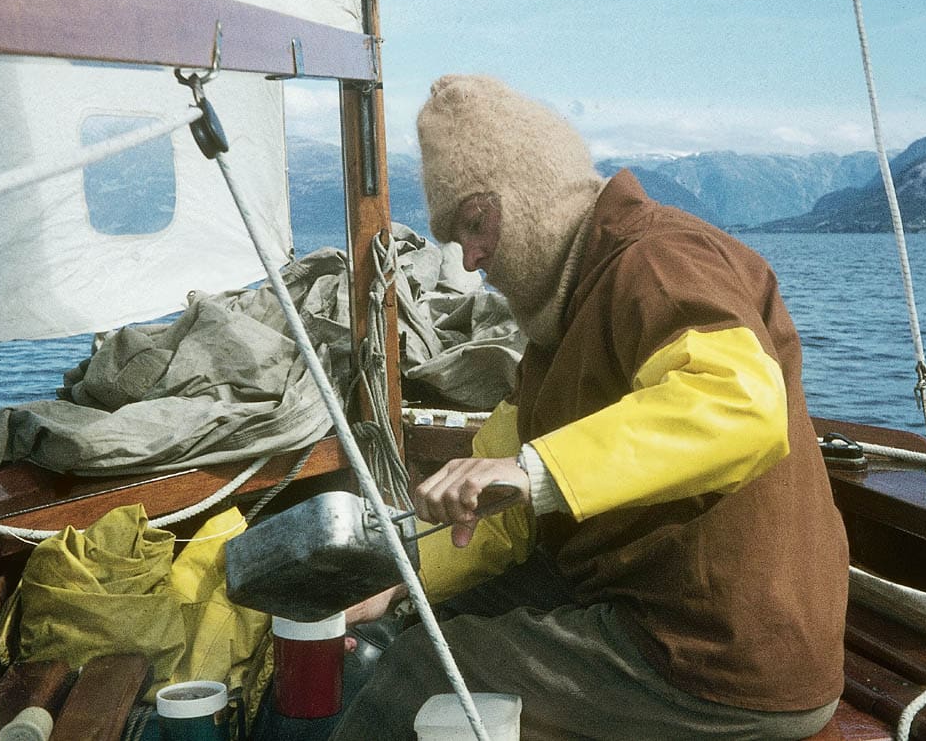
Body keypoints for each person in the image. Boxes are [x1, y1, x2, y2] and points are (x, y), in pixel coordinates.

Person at [331, 75, 849, 740]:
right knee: (420, 623)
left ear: (526, 197)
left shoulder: (658, 262)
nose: (469, 257)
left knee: (425, 672)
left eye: (474, 223)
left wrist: (535, 472)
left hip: (718, 656)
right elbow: (498, 506)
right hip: (646, 603)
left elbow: (738, 402)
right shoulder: (564, 321)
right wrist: (400, 578)